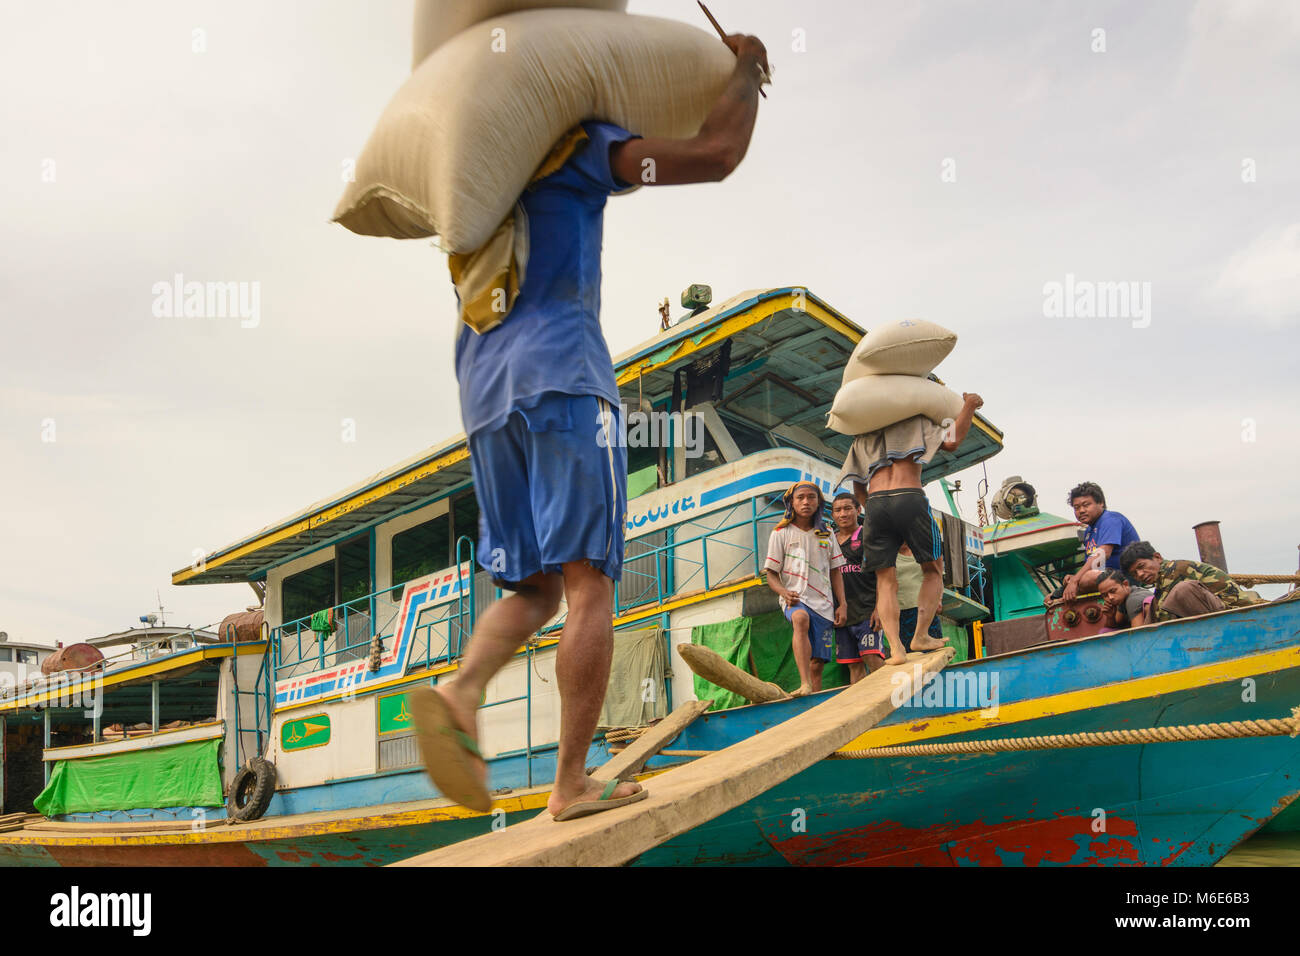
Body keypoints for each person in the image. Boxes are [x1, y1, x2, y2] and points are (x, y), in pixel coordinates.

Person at [409, 33, 772, 821]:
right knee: (589, 585)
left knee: (534, 588)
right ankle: (571, 784)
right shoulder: (572, 145)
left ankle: (460, 689)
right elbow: (715, 154)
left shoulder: (476, 181)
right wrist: (745, 70)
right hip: (566, 379)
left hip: (483, 395)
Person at [838, 394, 984, 665]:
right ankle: (920, 635)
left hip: (876, 505)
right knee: (933, 569)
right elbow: (952, 442)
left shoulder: (863, 435)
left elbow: (858, 486)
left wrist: (874, 510)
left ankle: (896, 650)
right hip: (910, 496)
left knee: (884, 581)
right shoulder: (916, 421)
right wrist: (969, 406)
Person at [765, 482, 847, 695]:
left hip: (824, 602)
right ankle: (804, 684)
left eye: (811, 497)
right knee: (800, 619)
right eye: (800, 497)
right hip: (794, 598)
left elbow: (836, 570)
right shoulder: (780, 533)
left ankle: (813, 700)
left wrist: (842, 604)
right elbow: (771, 574)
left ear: (818, 502)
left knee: (817, 663)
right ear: (791, 502)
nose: (806, 502)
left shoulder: (826, 533)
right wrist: (783, 592)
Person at [1120, 541, 1264, 622]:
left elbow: (1164, 616)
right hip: (1217, 612)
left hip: (1237, 615)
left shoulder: (1174, 570)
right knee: (1153, 606)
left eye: (1141, 566)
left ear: (1157, 557)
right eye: (1135, 574)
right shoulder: (1161, 581)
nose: (1140, 574)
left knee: (1183, 590)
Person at [830, 492, 883, 683]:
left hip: (867, 611)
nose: (843, 514)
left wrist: (879, 608)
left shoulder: (867, 536)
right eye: (838, 510)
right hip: (842, 615)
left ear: (858, 510)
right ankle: (864, 709)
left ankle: (894, 701)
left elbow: (882, 576)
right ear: (833, 514)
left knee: (871, 657)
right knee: (853, 665)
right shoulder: (829, 541)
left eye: (847, 508)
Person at [1060, 482, 1140, 600]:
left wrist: (1076, 580)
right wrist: (1073, 578)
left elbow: (1103, 554)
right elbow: (1093, 565)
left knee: (1087, 578)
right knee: (1051, 597)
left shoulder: (1110, 519)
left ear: (1101, 503)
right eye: (1076, 508)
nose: (1081, 510)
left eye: (1086, 505)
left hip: (1127, 577)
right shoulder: (1088, 531)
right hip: (1106, 576)